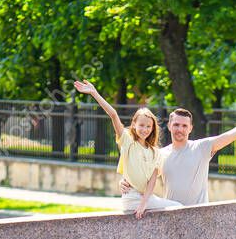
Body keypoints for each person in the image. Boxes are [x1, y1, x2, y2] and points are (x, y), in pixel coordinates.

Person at [120, 104, 236, 207]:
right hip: (172, 218)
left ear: (191, 128)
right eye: (176, 124)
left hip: (200, 215)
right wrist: (125, 182)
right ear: (170, 126)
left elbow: (234, 133)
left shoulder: (202, 147)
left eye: (184, 126)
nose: (180, 129)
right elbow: (142, 178)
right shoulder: (160, 155)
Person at [73, 80, 182, 218]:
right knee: (178, 208)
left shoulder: (155, 152)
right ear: (134, 124)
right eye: (141, 125)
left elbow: (152, 182)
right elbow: (113, 115)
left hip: (146, 198)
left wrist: (143, 203)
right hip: (131, 197)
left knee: (178, 208)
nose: (145, 129)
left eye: (149, 126)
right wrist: (94, 93)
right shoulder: (128, 141)